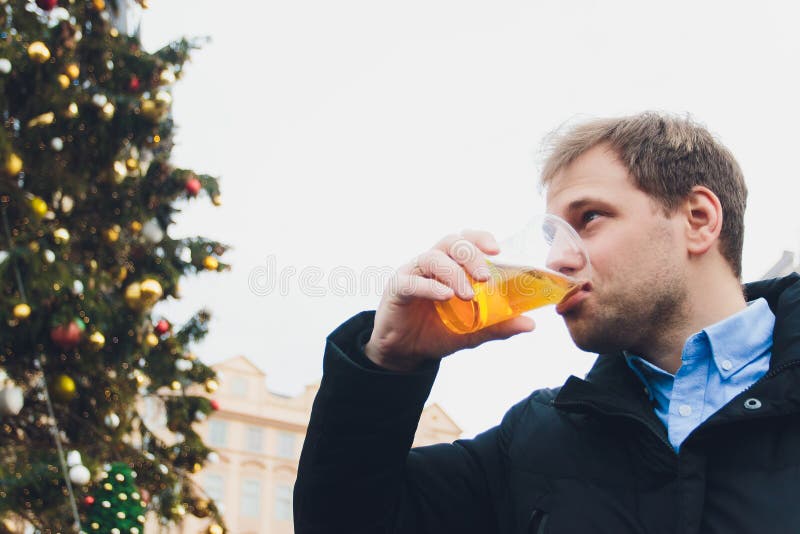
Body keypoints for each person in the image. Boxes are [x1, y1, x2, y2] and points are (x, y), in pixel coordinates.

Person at [293, 112, 800, 534]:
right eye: (552, 234)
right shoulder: (533, 441)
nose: (557, 259)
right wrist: (388, 363)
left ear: (697, 219)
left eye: (590, 218)